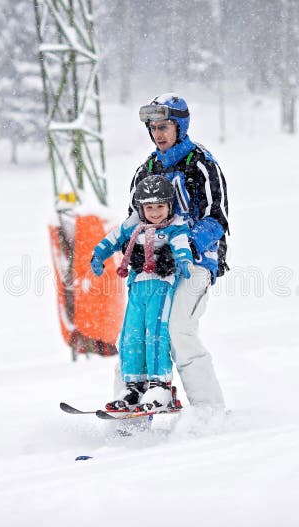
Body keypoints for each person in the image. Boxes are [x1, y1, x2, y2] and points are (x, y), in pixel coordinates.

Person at [123, 92, 230, 411]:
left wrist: (184, 246)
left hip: (197, 261)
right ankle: (132, 405)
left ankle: (208, 410)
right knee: (136, 331)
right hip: (155, 266)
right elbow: (132, 219)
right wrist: (136, 252)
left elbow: (217, 219)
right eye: (153, 128)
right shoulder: (147, 170)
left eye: (164, 126)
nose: (158, 134)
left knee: (177, 329)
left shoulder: (201, 164)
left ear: (180, 127)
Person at [90, 175, 194, 412]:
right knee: (131, 334)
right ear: (140, 207)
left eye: (160, 206)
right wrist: (98, 255)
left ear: (170, 206)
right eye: (149, 207)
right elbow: (114, 238)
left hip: (161, 285)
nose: (155, 212)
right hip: (137, 287)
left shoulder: (174, 226)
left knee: (155, 333)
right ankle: (134, 385)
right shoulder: (134, 224)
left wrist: (184, 261)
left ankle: (160, 386)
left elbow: (181, 245)